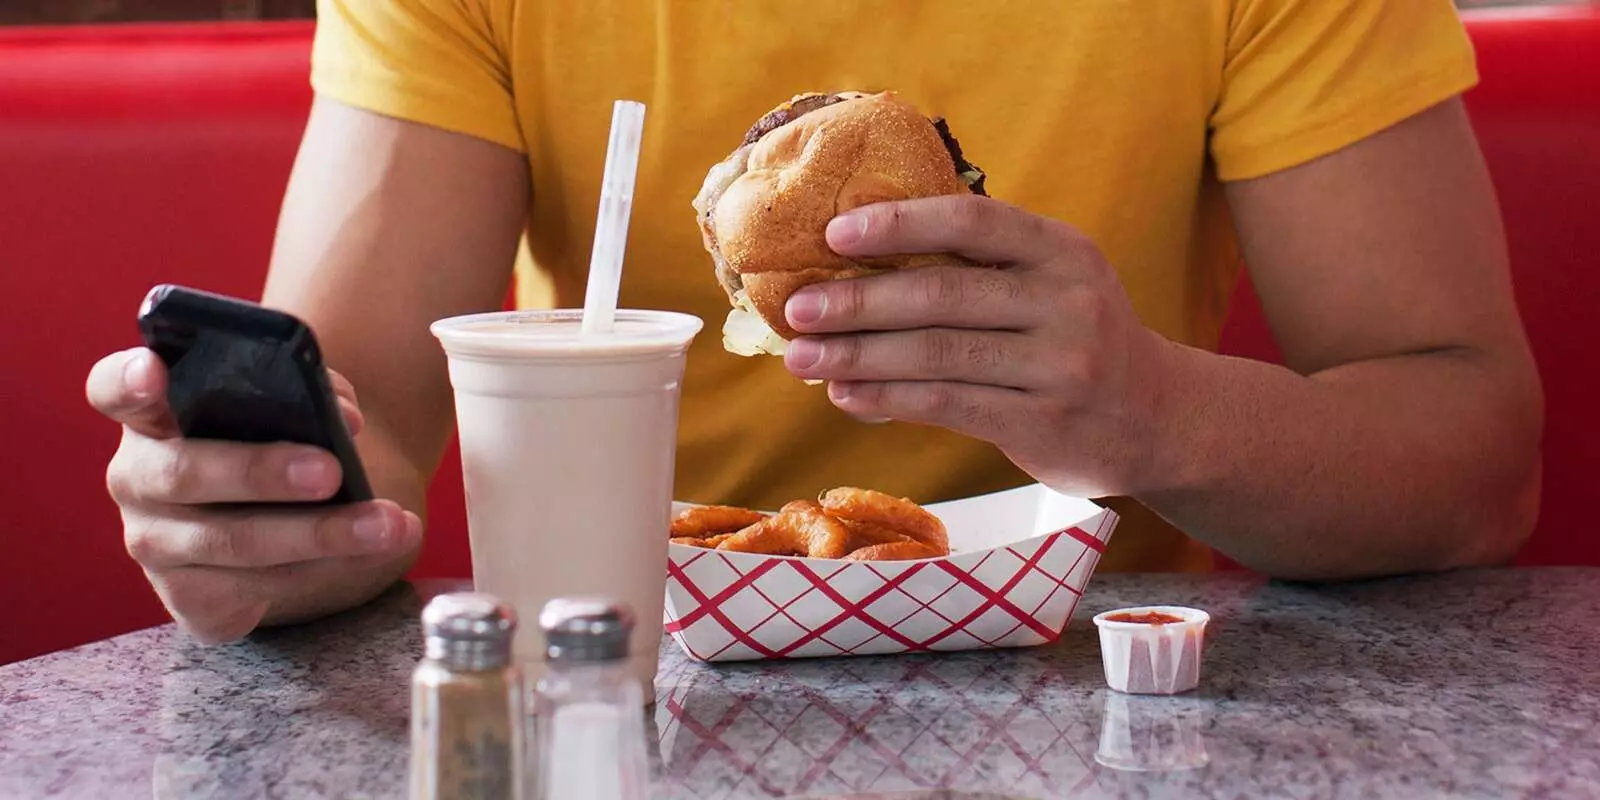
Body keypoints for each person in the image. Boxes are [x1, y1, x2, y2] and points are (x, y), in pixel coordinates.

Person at [85, 0, 1542, 644]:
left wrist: (1154, 409)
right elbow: (371, 438)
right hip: (614, 697)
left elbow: (1476, 463)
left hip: (1094, 706)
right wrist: (259, 518)